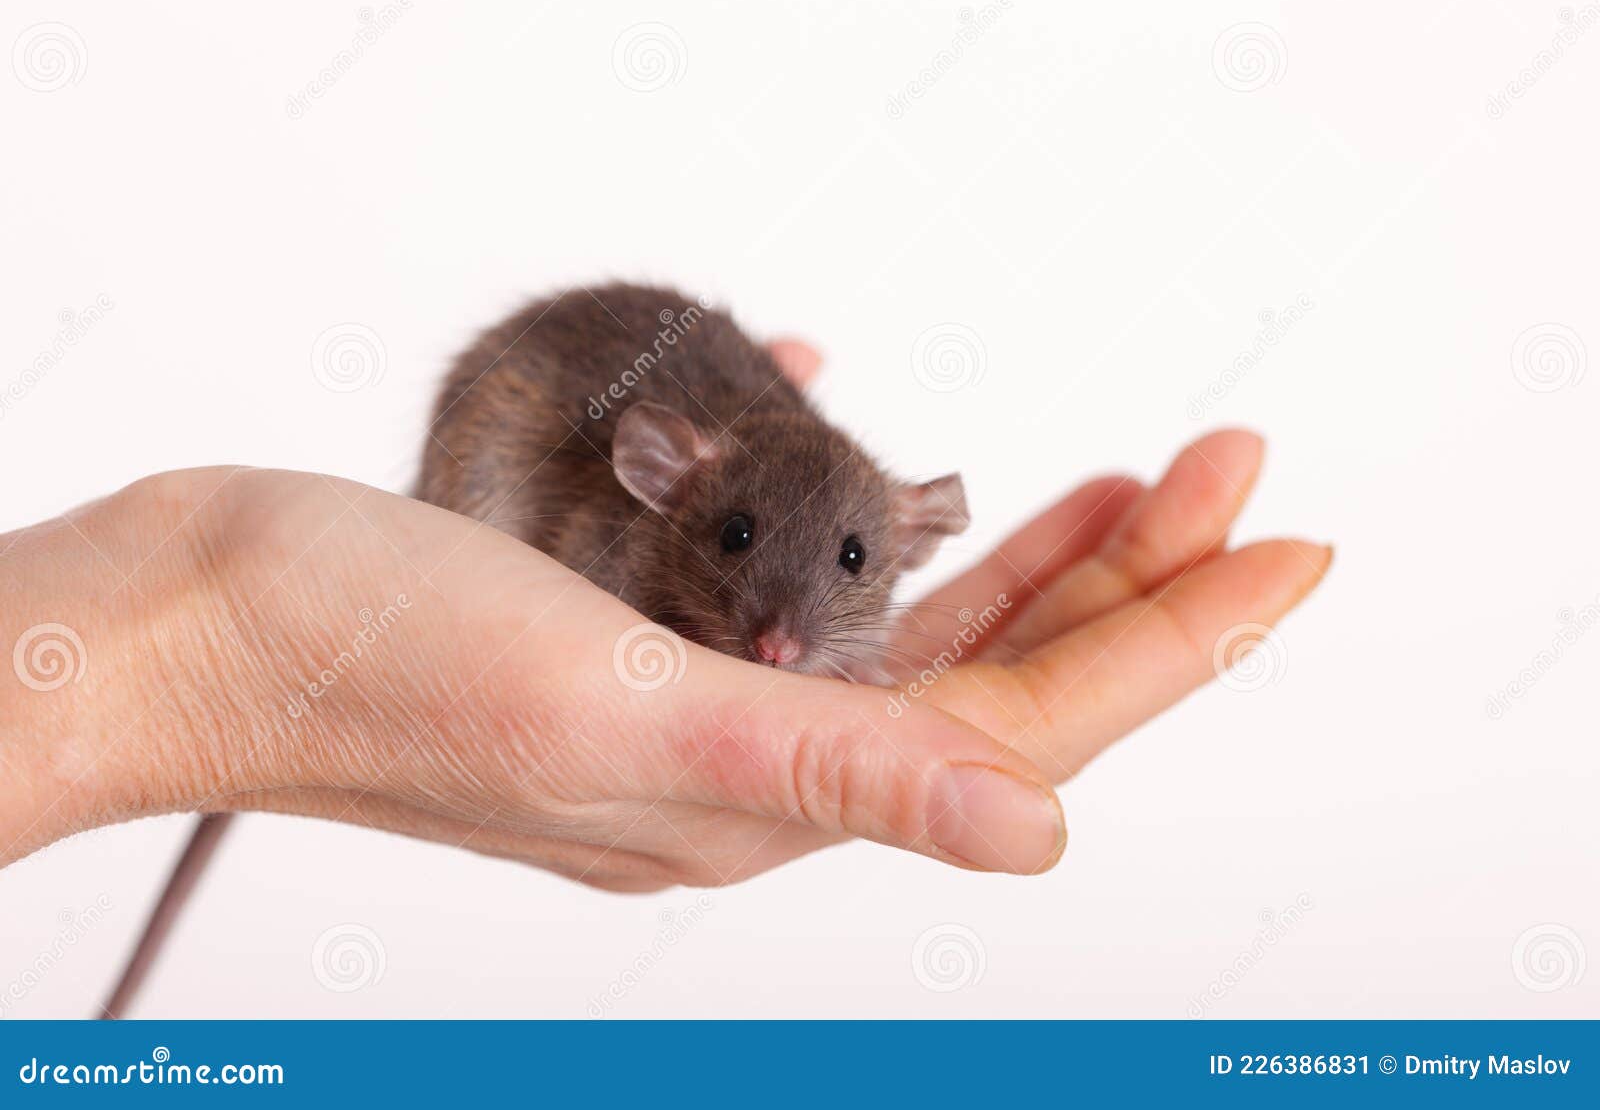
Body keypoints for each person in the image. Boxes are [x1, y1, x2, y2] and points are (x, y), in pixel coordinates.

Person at [0, 342, 1328, 888]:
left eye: (854, 564)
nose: (780, 626)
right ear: (667, 478)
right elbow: (607, 552)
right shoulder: (641, 505)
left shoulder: (835, 557)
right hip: (534, 416)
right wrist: (210, 621)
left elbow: (808, 615)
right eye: (739, 544)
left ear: (911, 541)